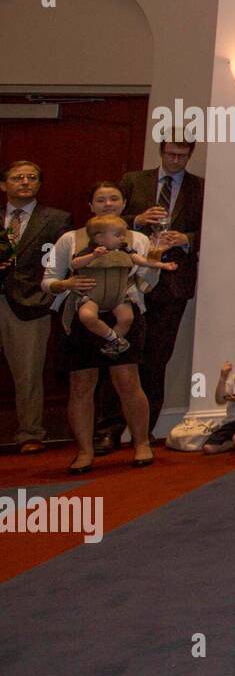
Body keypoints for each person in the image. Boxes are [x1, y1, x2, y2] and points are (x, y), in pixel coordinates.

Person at [42, 181, 159, 473]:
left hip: (125, 315)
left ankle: (141, 443)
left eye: (114, 199)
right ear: (90, 206)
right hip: (82, 316)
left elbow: (149, 283)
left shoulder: (138, 240)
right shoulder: (70, 239)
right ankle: (84, 451)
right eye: (101, 200)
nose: (108, 204)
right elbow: (48, 280)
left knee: (128, 381)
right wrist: (68, 283)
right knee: (81, 385)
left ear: (123, 204)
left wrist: (156, 260)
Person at [98, 137, 205, 451]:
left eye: (182, 156)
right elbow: (106, 221)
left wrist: (184, 238)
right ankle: (108, 429)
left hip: (172, 284)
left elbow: (211, 228)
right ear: (161, 152)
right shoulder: (134, 181)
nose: (175, 161)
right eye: (171, 154)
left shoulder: (200, 187)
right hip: (128, 284)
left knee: (156, 360)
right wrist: (136, 220)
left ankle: (143, 431)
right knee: (118, 356)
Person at [1, 161, 74, 455]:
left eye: (32, 177)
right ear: (4, 184)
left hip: (30, 304)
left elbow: (63, 263)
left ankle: (30, 433)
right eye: (18, 177)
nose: (25, 182)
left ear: (39, 185)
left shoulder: (56, 219)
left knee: (28, 373)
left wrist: (49, 300)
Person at [67, 215, 176, 355]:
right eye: (118, 235)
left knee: (127, 318)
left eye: (124, 235)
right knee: (87, 316)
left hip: (119, 295)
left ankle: (112, 346)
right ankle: (114, 338)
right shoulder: (89, 251)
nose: (122, 239)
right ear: (100, 238)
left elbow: (141, 261)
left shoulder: (125, 249)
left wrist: (163, 264)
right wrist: (93, 256)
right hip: (92, 295)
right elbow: (74, 264)